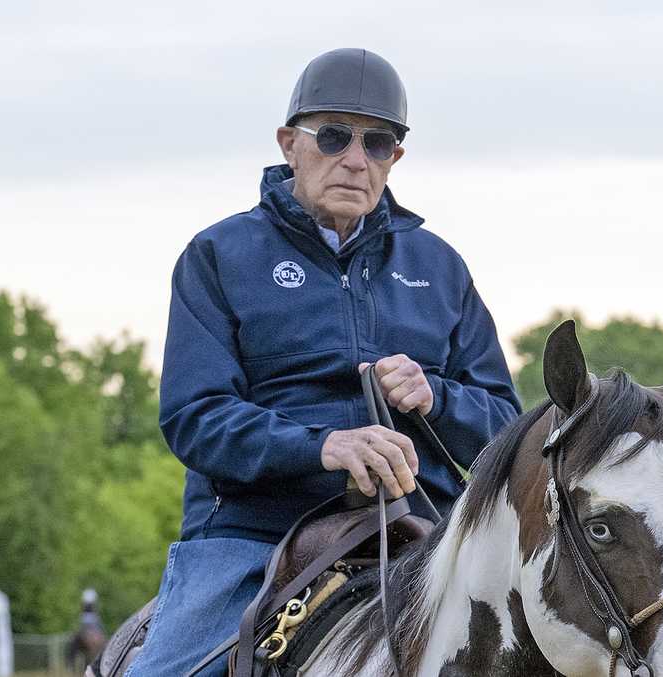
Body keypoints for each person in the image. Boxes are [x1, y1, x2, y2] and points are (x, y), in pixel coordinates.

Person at [125, 48, 522, 676]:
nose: (356, 159)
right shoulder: (218, 255)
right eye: (333, 136)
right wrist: (323, 447)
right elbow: (194, 418)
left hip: (427, 534)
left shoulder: (440, 267)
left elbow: (507, 425)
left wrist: (437, 398)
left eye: (379, 143)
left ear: (396, 158)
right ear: (290, 144)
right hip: (255, 533)